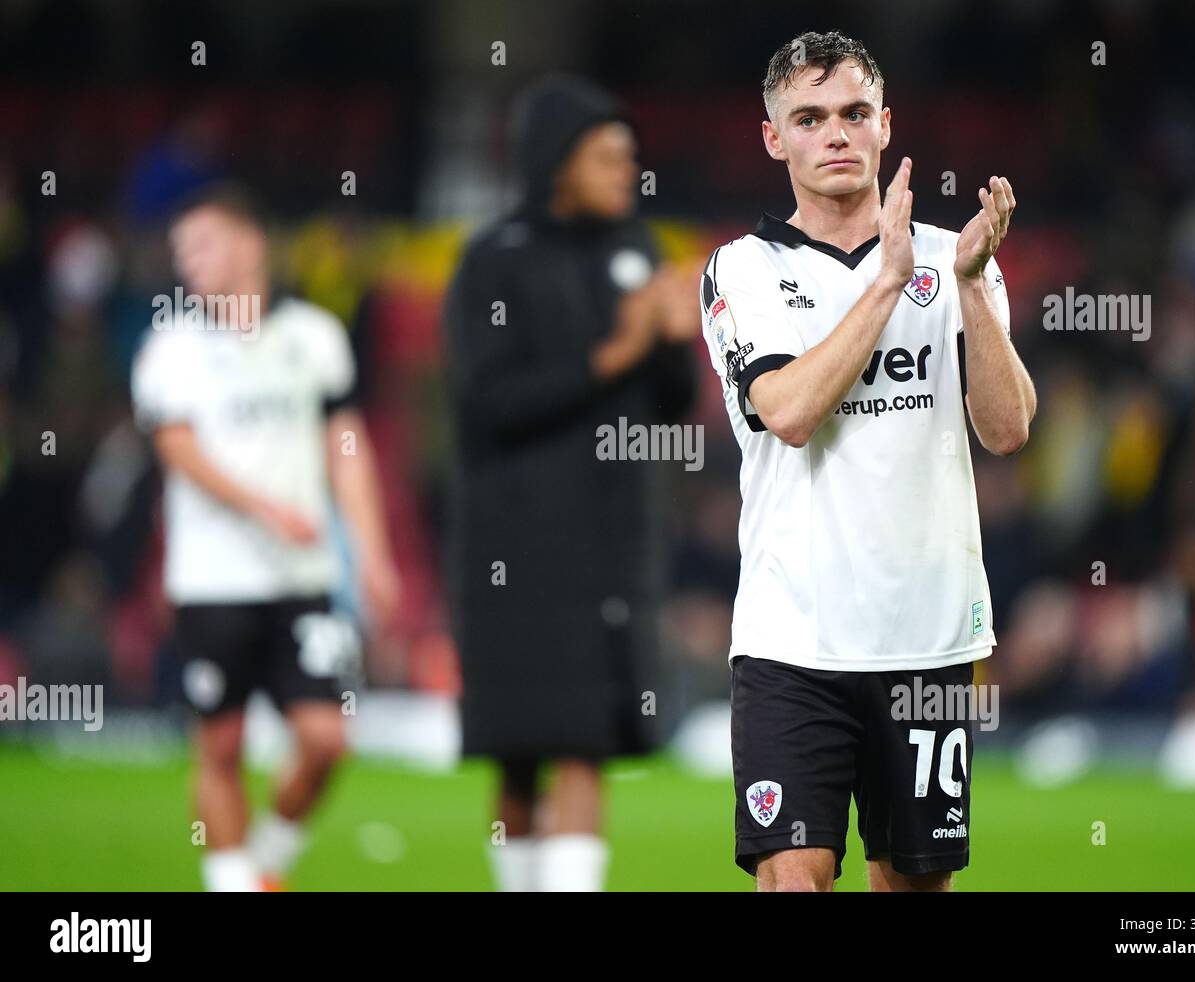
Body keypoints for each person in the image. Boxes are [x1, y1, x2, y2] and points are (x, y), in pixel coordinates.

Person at [702, 32, 1036, 892]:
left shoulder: (953, 259)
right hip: (792, 639)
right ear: (775, 138)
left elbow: (1007, 431)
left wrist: (966, 286)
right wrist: (886, 282)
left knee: (914, 884)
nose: (836, 134)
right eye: (809, 118)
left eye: (854, 114)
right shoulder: (744, 270)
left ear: (886, 125)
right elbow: (790, 413)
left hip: (927, 637)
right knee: (792, 878)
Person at [444, 75, 698, 892]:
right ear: (556, 162)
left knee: (589, 740)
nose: (627, 171)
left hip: (612, 541)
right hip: (511, 546)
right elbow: (486, 405)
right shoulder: (493, 260)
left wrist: (670, 344)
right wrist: (613, 356)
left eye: (630, 155)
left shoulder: (640, 250)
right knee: (517, 754)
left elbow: (674, 403)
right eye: (607, 155)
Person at [131, 183, 399, 891]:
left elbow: (348, 448)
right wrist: (265, 508)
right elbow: (178, 450)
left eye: (206, 242)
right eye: (183, 248)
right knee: (219, 745)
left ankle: (265, 865)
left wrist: (372, 550)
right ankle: (233, 884)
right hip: (213, 580)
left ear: (251, 243)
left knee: (326, 740)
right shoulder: (172, 347)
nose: (191, 260)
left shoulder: (314, 336)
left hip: (302, 578)